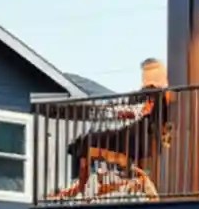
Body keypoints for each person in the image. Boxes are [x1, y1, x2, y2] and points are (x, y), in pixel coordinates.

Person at [50, 58, 172, 200]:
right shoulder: (152, 95)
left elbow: (141, 110)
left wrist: (129, 112)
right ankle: (81, 185)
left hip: (135, 137)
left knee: (88, 142)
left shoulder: (155, 95)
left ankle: (81, 186)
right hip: (133, 134)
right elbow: (136, 111)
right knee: (87, 143)